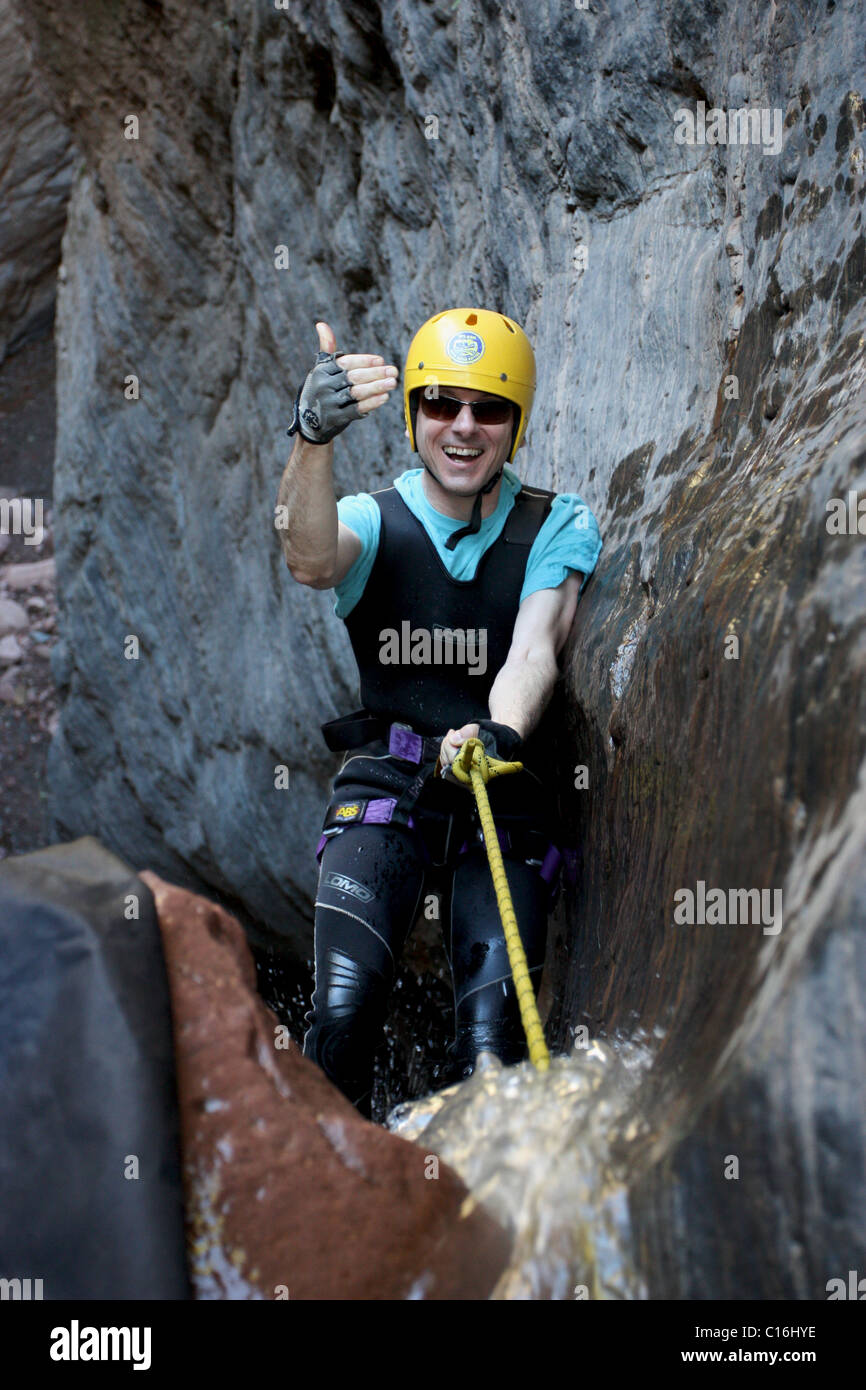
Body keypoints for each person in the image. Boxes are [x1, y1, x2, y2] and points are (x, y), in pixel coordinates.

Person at [277, 307, 602, 1117]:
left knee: (495, 1051)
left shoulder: (556, 525)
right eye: (442, 405)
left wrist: (498, 731)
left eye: (488, 409)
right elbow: (310, 557)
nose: (463, 428)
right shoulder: (369, 520)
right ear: (416, 413)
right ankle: (343, 1193)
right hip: (389, 783)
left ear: (515, 424)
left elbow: (535, 648)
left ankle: (473, 1219)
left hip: (499, 786)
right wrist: (312, 437)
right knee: (344, 1012)